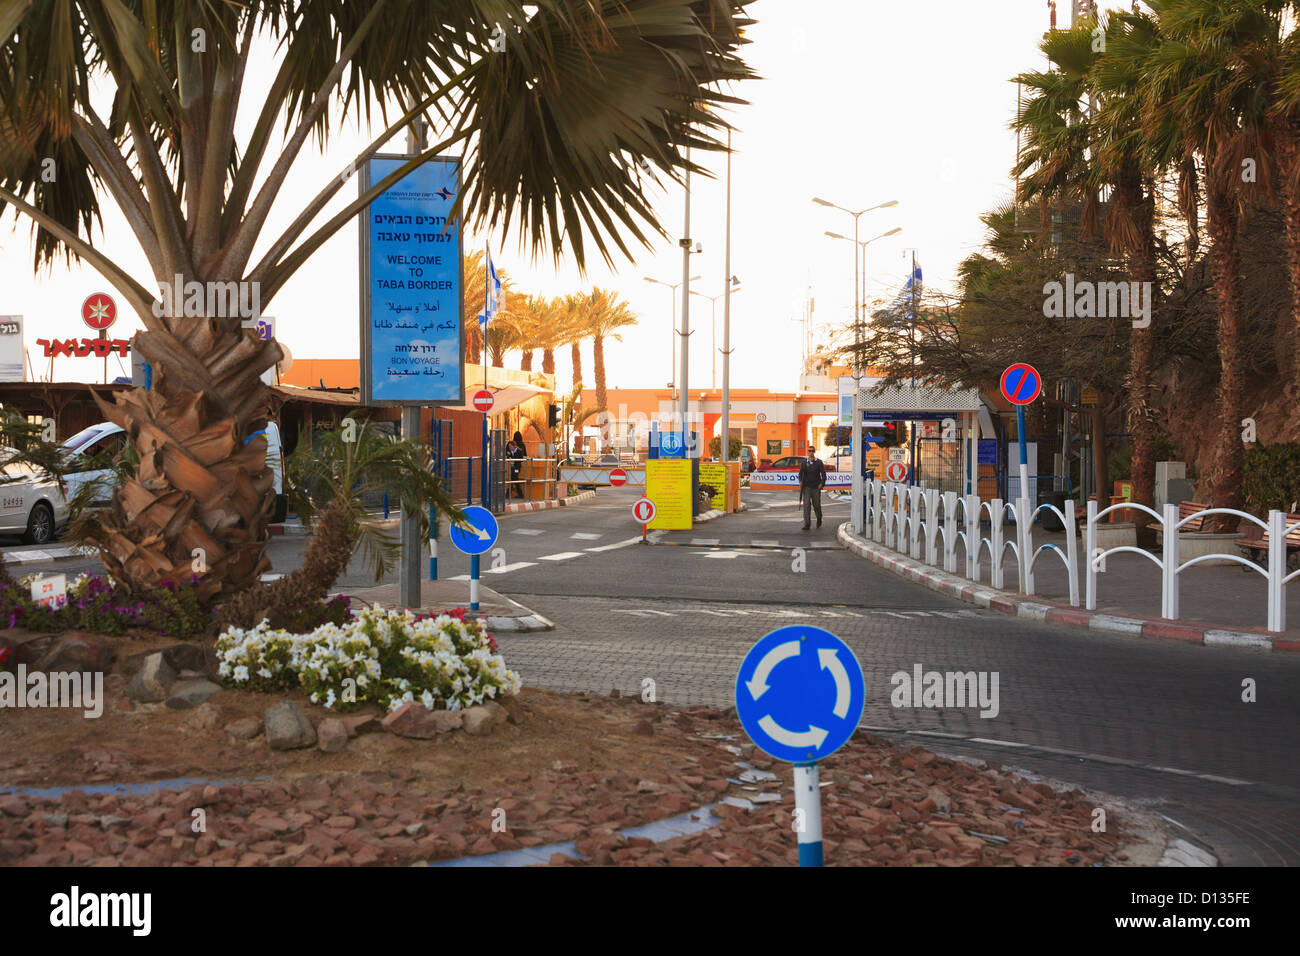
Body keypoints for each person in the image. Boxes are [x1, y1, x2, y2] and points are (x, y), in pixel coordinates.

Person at [798, 447, 826, 530]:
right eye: (809, 451)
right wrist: (800, 481)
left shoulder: (819, 462)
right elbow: (800, 474)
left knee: (816, 505)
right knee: (806, 505)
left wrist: (822, 483)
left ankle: (819, 518)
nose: (810, 452)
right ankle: (807, 524)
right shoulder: (804, 462)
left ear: (814, 452)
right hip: (806, 487)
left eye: (812, 451)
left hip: (816, 487)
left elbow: (823, 474)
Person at [509, 431, 527, 498]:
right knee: (514, 478)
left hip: (515, 467)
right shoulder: (521, 445)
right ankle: (519, 494)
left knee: (514, 478)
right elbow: (524, 455)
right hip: (516, 466)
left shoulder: (516, 446)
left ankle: (516, 494)